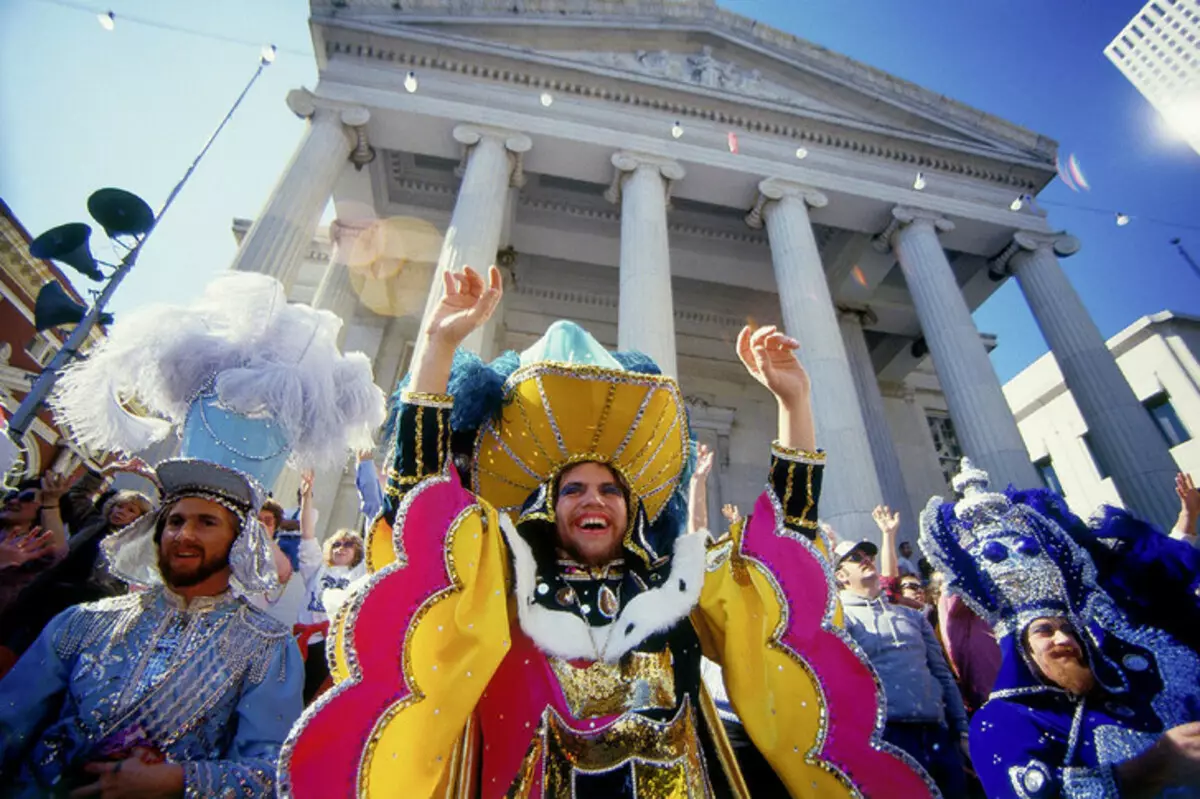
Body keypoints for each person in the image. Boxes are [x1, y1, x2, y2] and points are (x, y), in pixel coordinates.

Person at [282, 266, 935, 797]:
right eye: (574, 489)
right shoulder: (503, 579)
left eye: (608, 489)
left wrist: (794, 405)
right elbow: (421, 507)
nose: (592, 501)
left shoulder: (678, 584)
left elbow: (780, 569)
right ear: (549, 504)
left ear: (631, 506)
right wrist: (438, 343)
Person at [0, 458, 304, 797]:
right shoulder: (84, 620)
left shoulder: (267, 646)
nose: (183, 535)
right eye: (174, 521)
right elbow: (9, 722)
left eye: (206, 522)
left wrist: (178, 781)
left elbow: (272, 771)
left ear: (239, 542)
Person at [920, 458, 1200, 798]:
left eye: (1068, 628)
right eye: (1044, 631)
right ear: (1021, 648)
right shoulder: (1004, 721)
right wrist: (1146, 769)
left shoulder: (1135, 692)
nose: (1064, 638)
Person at [834, 531, 971, 798]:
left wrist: (962, 729)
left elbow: (941, 674)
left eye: (866, 554)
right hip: (887, 737)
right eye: (854, 558)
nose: (865, 559)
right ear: (840, 576)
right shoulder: (841, 619)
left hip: (936, 732)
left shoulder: (912, 616)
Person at [292, 472, 368, 703]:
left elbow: (374, 521)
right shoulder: (316, 567)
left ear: (358, 551)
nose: (341, 548)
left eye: (348, 544)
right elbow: (307, 533)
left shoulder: (360, 574)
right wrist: (307, 497)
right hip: (302, 643)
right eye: (336, 543)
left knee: (317, 702)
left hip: (333, 647)